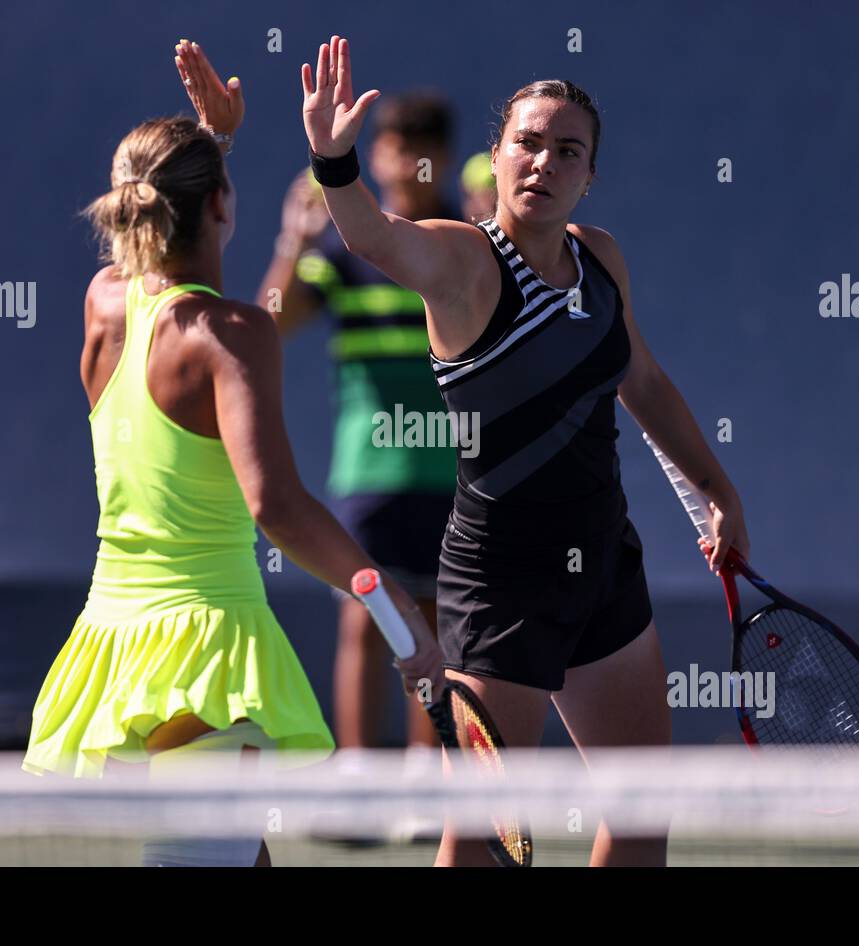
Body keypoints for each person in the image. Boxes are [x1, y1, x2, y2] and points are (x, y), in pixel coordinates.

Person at [299, 36, 752, 866]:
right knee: (479, 845)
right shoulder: (463, 260)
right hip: (501, 578)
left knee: (643, 816)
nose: (544, 162)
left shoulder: (600, 258)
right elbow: (373, 237)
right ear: (497, 156)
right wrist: (334, 161)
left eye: (567, 150)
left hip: (605, 567)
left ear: (589, 175)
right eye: (527, 143)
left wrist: (717, 489)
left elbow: (644, 383)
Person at [20, 40, 442, 867]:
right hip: (201, 654)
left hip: (111, 645)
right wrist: (396, 613)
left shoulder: (103, 303)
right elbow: (276, 506)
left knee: (236, 858)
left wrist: (214, 146)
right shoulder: (234, 335)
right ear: (221, 204)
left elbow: (153, 244)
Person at [251, 92, 461, 755]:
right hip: (370, 469)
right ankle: (358, 771)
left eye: (421, 149)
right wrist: (294, 239)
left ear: (443, 159)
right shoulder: (341, 250)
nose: (408, 162)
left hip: (453, 470)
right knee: (364, 618)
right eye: (396, 148)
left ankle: (429, 777)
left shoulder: (464, 242)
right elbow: (270, 324)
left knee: (434, 622)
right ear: (375, 156)